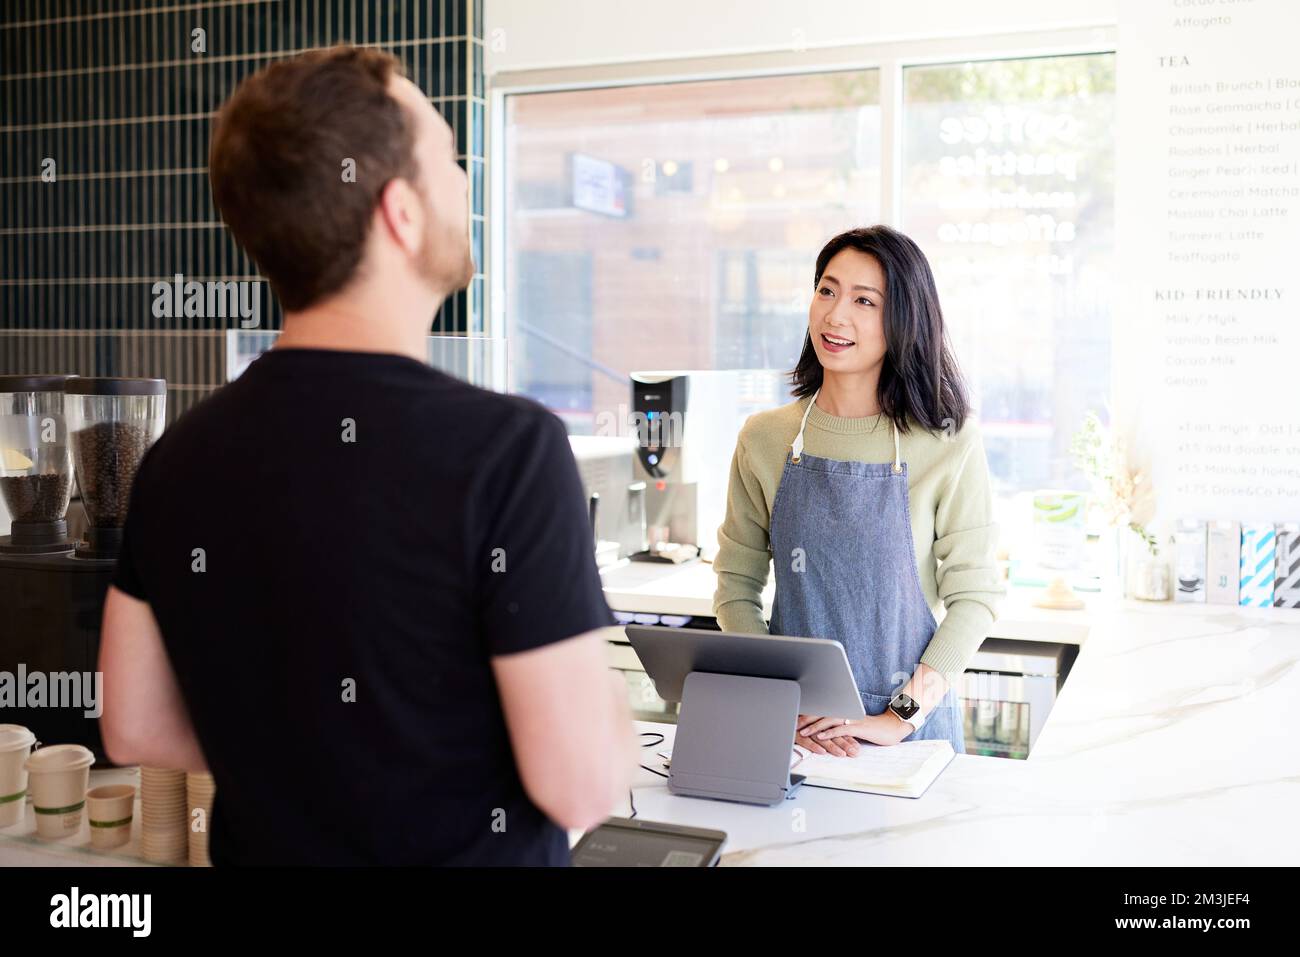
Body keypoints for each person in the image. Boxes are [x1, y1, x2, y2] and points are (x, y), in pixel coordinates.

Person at [98, 45, 635, 865]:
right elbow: (582, 784)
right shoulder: (509, 452)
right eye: (449, 158)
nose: (462, 182)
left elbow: (134, 723)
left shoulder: (175, 459)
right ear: (400, 212)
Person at [713, 226, 1004, 757]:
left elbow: (976, 597)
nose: (835, 314)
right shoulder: (765, 437)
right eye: (827, 289)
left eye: (864, 300)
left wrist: (899, 717)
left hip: (910, 738)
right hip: (797, 734)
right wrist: (778, 699)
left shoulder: (946, 442)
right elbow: (735, 583)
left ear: (903, 321)